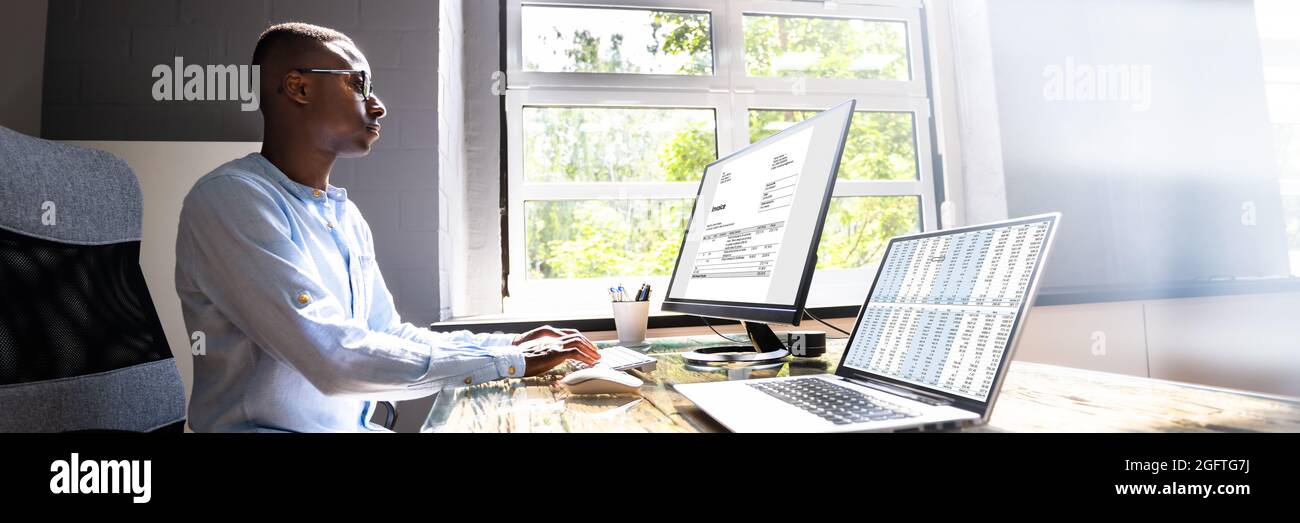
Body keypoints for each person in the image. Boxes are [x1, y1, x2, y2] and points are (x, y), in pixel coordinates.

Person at [175, 22, 599, 432]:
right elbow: (333, 357)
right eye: (358, 84)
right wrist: (516, 362)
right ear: (299, 87)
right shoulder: (232, 199)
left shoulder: (345, 216)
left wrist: (509, 345)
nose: (377, 105)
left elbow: (387, 335)